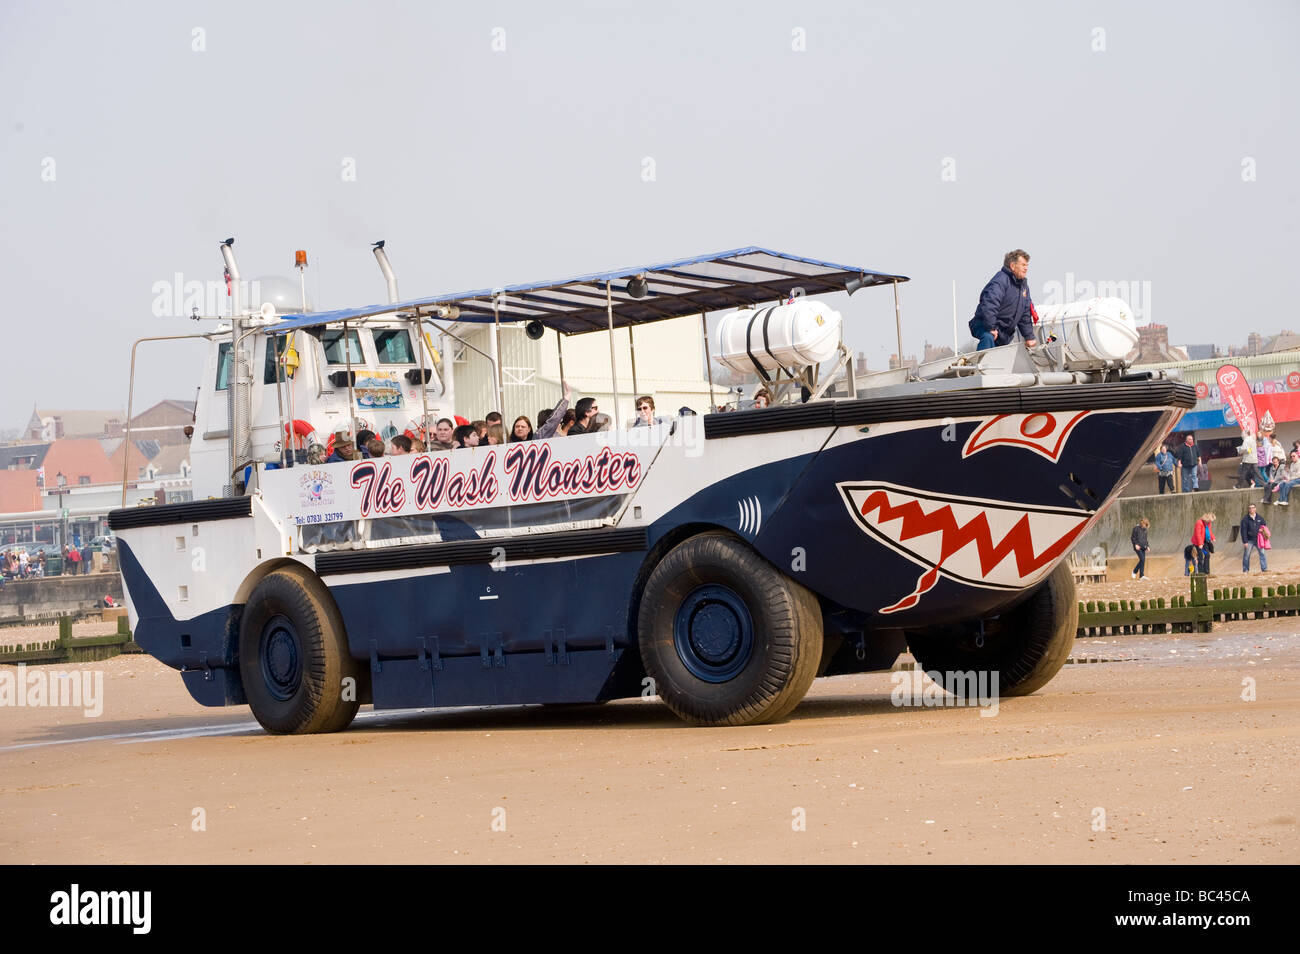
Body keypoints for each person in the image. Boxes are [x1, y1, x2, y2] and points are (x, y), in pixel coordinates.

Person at [968, 249, 1038, 351]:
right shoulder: (1000, 281)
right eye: (1023, 265)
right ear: (1013, 266)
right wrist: (991, 328)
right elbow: (989, 305)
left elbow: (1025, 314)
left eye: (1027, 265)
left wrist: (1029, 337)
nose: (1026, 268)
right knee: (988, 337)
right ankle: (980, 364)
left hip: (1004, 334)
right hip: (985, 325)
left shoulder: (1023, 287)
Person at [1241, 504, 1268, 573]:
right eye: (1250, 508)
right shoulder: (1245, 519)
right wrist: (1245, 541)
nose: (1251, 509)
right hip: (1249, 540)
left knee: (1262, 553)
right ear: (1248, 509)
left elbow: (1264, 525)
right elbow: (1243, 531)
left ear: (1255, 509)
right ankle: (1245, 570)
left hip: (1259, 539)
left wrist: (1262, 530)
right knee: (1246, 555)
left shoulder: (1260, 518)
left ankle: (1264, 569)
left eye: (1253, 508)